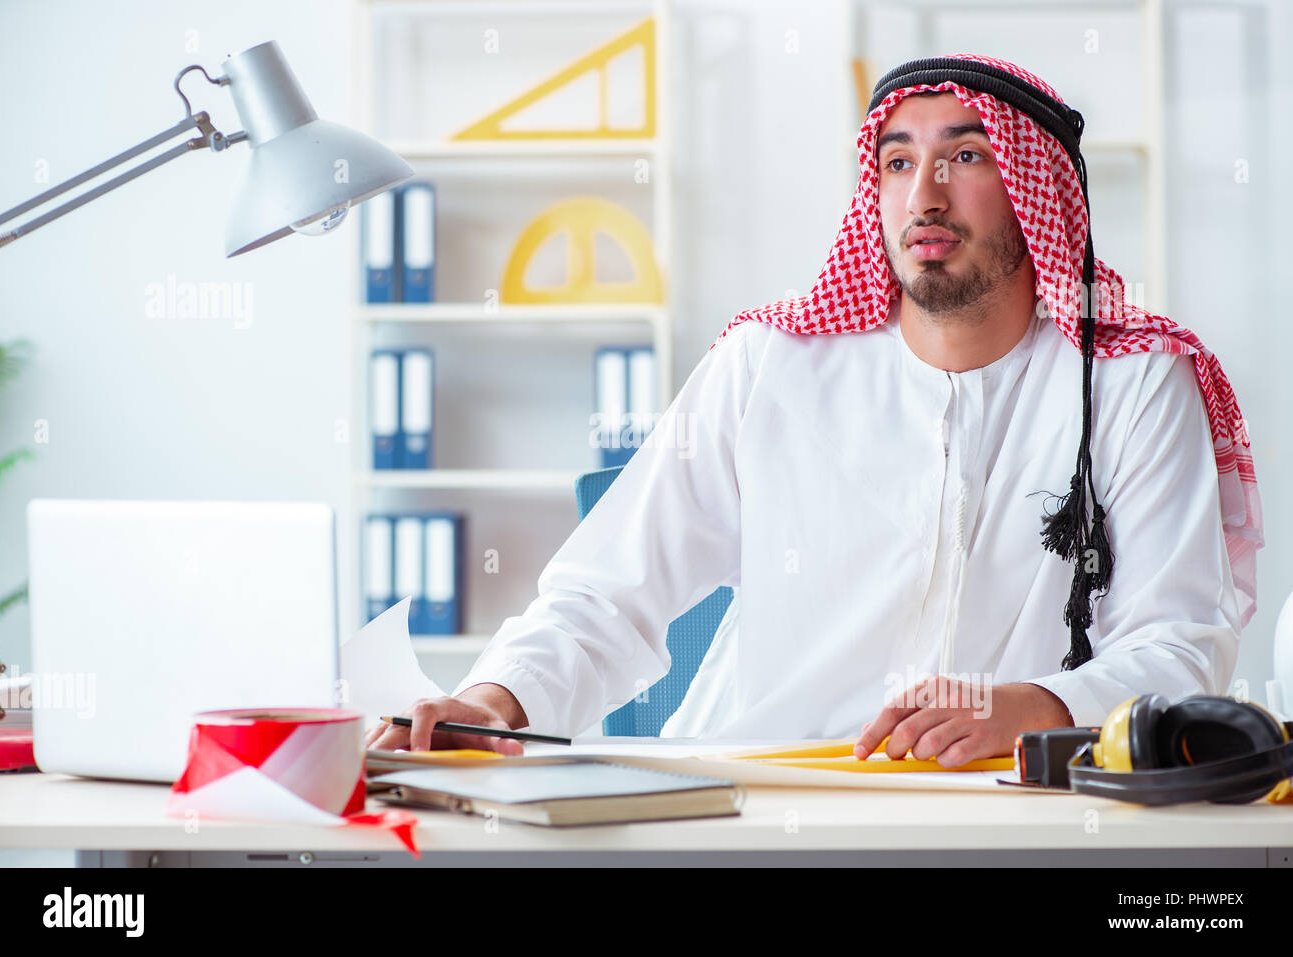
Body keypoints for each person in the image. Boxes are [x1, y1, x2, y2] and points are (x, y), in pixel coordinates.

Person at [366, 55, 1263, 768]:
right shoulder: (768, 365)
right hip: (753, 800)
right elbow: (606, 594)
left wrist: (1042, 706)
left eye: (966, 156)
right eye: (898, 162)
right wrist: (496, 702)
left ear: (1038, 192)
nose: (924, 195)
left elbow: (1179, 642)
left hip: (1002, 808)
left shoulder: (1134, 383)